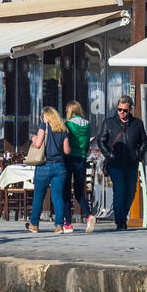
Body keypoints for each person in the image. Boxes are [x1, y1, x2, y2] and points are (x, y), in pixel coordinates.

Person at [98, 95, 147, 231]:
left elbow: (144, 141)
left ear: (130, 109)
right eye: (119, 109)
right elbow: (101, 141)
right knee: (120, 191)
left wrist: (139, 155)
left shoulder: (137, 123)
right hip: (116, 163)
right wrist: (109, 155)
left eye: (125, 110)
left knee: (131, 192)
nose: (122, 112)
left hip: (132, 162)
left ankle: (122, 216)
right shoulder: (109, 122)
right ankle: (120, 221)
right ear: (117, 108)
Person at [26, 106, 71, 233]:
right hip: (60, 167)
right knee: (57, 197)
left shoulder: (43, 126)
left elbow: (38, 144)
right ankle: (59, 226)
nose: (42, 118)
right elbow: (67, 151)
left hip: (44, 166)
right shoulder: (63, 130)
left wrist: (34, 139)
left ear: (46, 117)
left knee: (39, 196)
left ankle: (34, 224)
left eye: (43, 116)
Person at [62, 100, 95, 233]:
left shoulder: (68, 124)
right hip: (81, 159)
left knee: (65, 192)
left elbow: (65, 142)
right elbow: (87, 144)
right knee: (79, 192)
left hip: (68, 159)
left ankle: (68, 224)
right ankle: (89, 215)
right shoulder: (87, 125)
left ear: (70, 111)